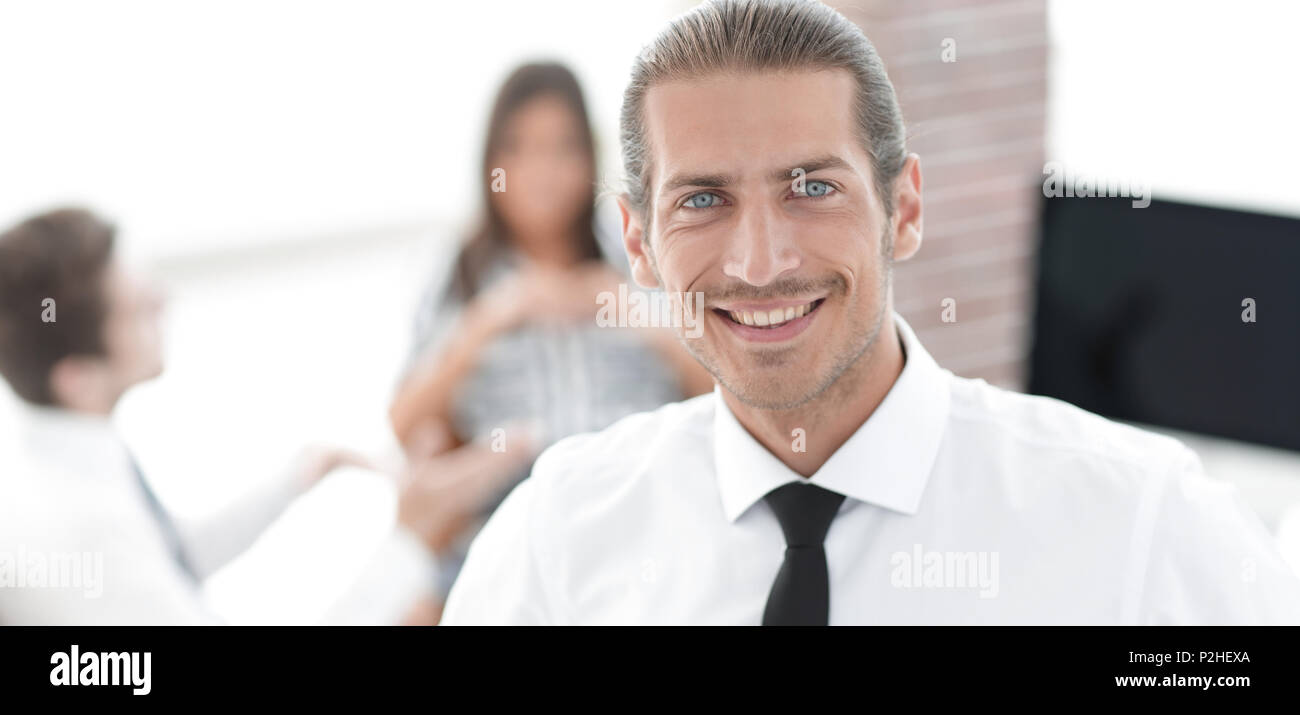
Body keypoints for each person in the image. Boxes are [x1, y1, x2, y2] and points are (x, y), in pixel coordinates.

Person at [439, 0, 1300, 625]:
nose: (761, 262)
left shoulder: (1139, 524)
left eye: (812, 187)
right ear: (637, 239)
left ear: (905, 208)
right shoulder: (554, 542)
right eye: (703, 199)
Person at [0, 208, 531, 625]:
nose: (163, 298)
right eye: (136, 307)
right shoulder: (84, 527)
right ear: (78, 377)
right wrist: (410, 540)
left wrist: (304, 472)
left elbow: (172, 557)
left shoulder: (65, 452)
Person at [388, 62, 712, 603]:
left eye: (562, 147)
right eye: (520, 148)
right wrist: (492, 318)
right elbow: (404, 422)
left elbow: (723, 389)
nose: (542, 170)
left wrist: (618, 304)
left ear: (589, 158)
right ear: (493, 161)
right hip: (506, 527)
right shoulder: (463, 274)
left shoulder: (636, 254)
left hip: (641, 512)